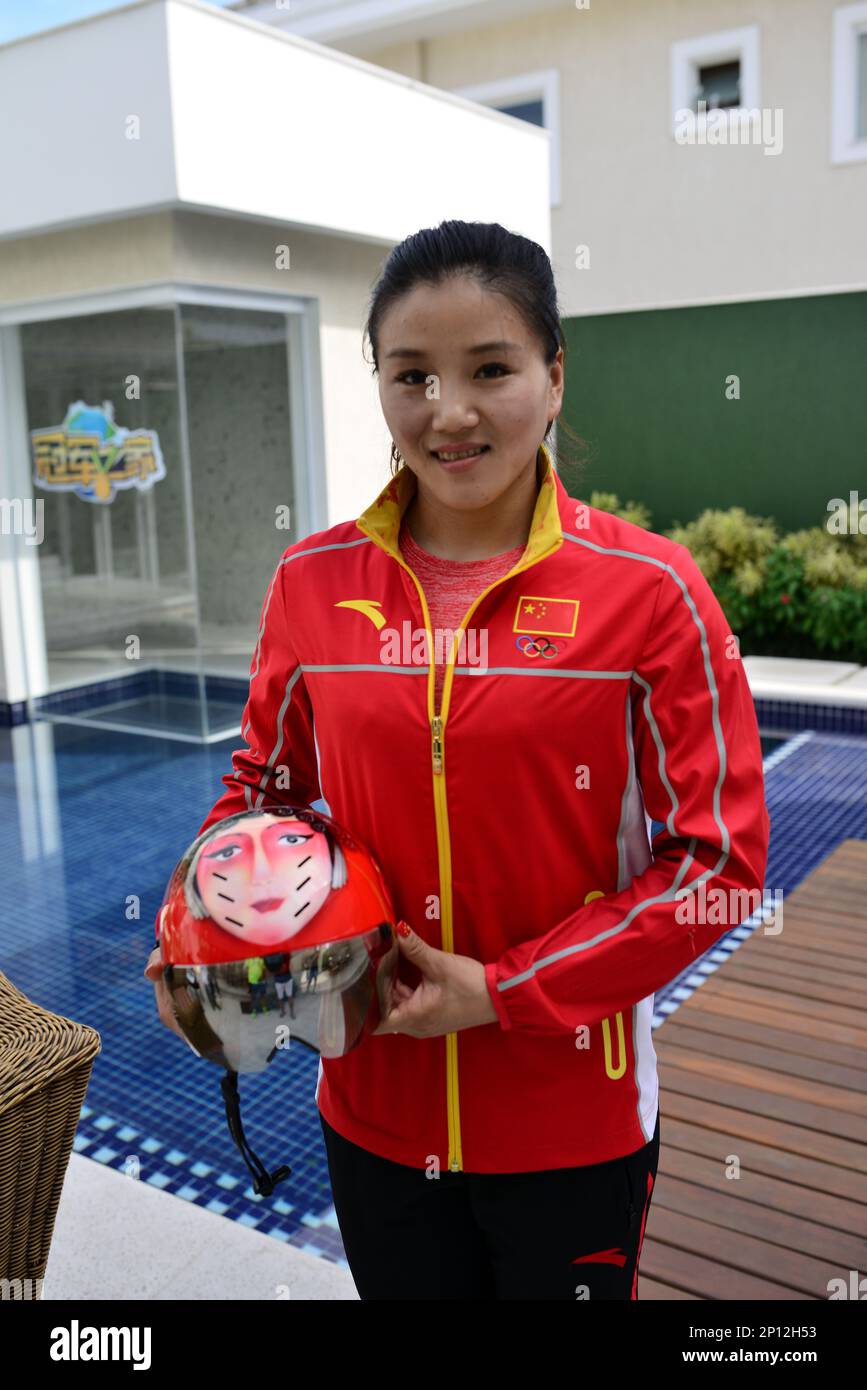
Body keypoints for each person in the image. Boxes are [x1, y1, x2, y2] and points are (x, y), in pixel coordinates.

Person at [146, 220, 770, 1300]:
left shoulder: (652, 593)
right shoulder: (313, 580)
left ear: (555, 374)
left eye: (491, 369)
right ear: (379, 386)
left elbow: (718, 868)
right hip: (373, 1106)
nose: (451, 411)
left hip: (572, 1115)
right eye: (413, 376)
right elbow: (262, 796)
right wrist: (193, 935)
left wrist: (505, 990)